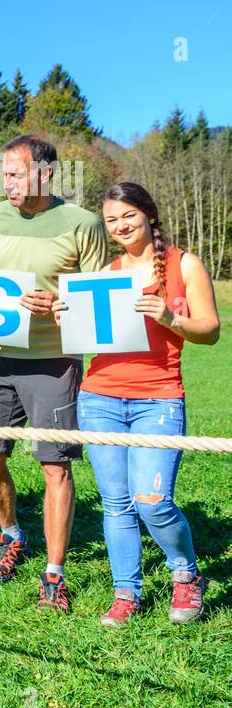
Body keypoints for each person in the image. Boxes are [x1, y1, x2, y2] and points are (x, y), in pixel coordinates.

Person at [0, 134, 109, 611]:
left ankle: (54, 574)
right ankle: (12, 535)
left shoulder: (83, 223)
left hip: (56, 361)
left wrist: (61, 306)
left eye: (16, 174)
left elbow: (98, 304)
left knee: (54, 465)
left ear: (47, 173)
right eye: (4, 175)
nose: (7, 183)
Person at [52, 183, 220, 626]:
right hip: (100, 397)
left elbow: (211, 331)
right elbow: (89, 341)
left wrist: (170, 317)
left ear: (148, 214)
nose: (121, 225)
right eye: (112, 220)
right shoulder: (107, 272)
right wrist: (67, 319)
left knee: (153, 501)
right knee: (117, 504)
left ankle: (187, 577)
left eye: (128, 215)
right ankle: (126, 592)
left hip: (158, 399)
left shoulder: (184, 265)